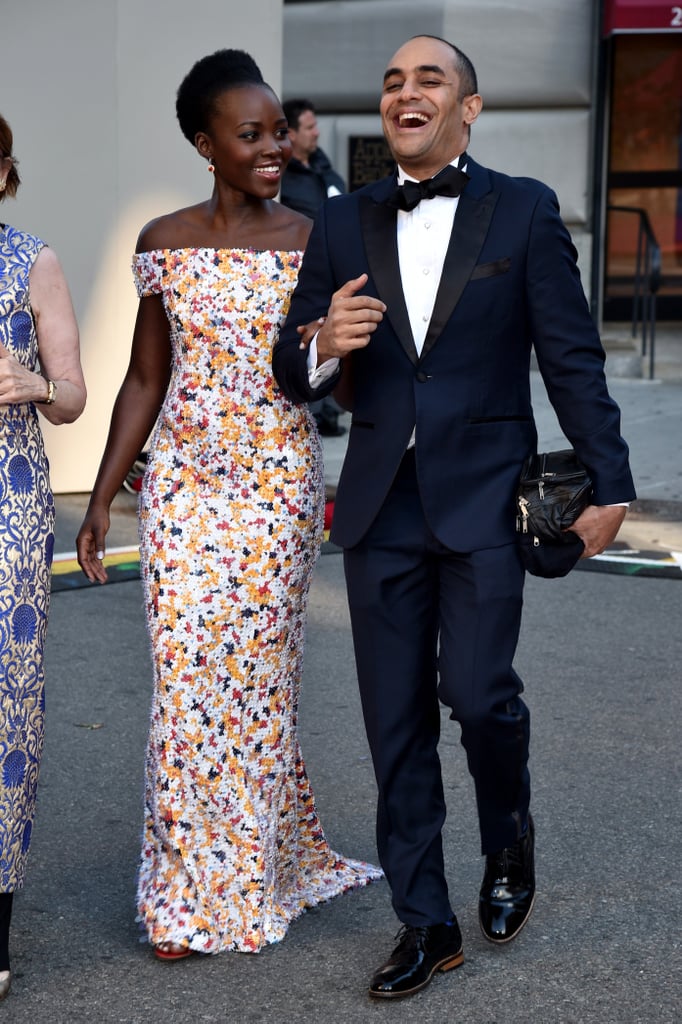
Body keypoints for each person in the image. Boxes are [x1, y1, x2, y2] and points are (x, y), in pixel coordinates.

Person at [273, 35, 635, 1000]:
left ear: (467, 109)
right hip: (380, 507)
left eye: (428, 78)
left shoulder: (520, 208)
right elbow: (292, 361)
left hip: (484, 499)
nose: (405, 92)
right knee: (394, 725)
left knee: (479, 698)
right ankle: (425, 922)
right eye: (392, 81)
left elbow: (572, 357)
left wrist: (612, 486)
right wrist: (319, 346)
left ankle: (509, 834)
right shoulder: (341, 220)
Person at [76, 49, 381, 961]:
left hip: (276, 488)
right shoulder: (161, 242)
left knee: (252, 692)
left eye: (277, 130)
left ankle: (252, 875)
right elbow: (142, 379)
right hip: (182, 489)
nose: (273, 146)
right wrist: (100, 501)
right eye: (250, 135)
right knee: (185, 694)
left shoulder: (314, 235)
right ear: (205, 144)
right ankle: (185, 896)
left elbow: (345, 377)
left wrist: (333, 347)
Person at [0, 114, 87, 1000]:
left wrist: (32, 384)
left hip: (8, 511)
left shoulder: (34, 260)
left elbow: (72, 394)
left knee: (3, 709)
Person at [280, 98, 347, 437]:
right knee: (308, 335)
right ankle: (314, 408)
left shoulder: (324, 168)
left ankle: (331, 412)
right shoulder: (282, 180)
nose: (317, 132)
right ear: (290, 133)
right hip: (303, 274)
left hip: (339, 269)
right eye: (309, 127)